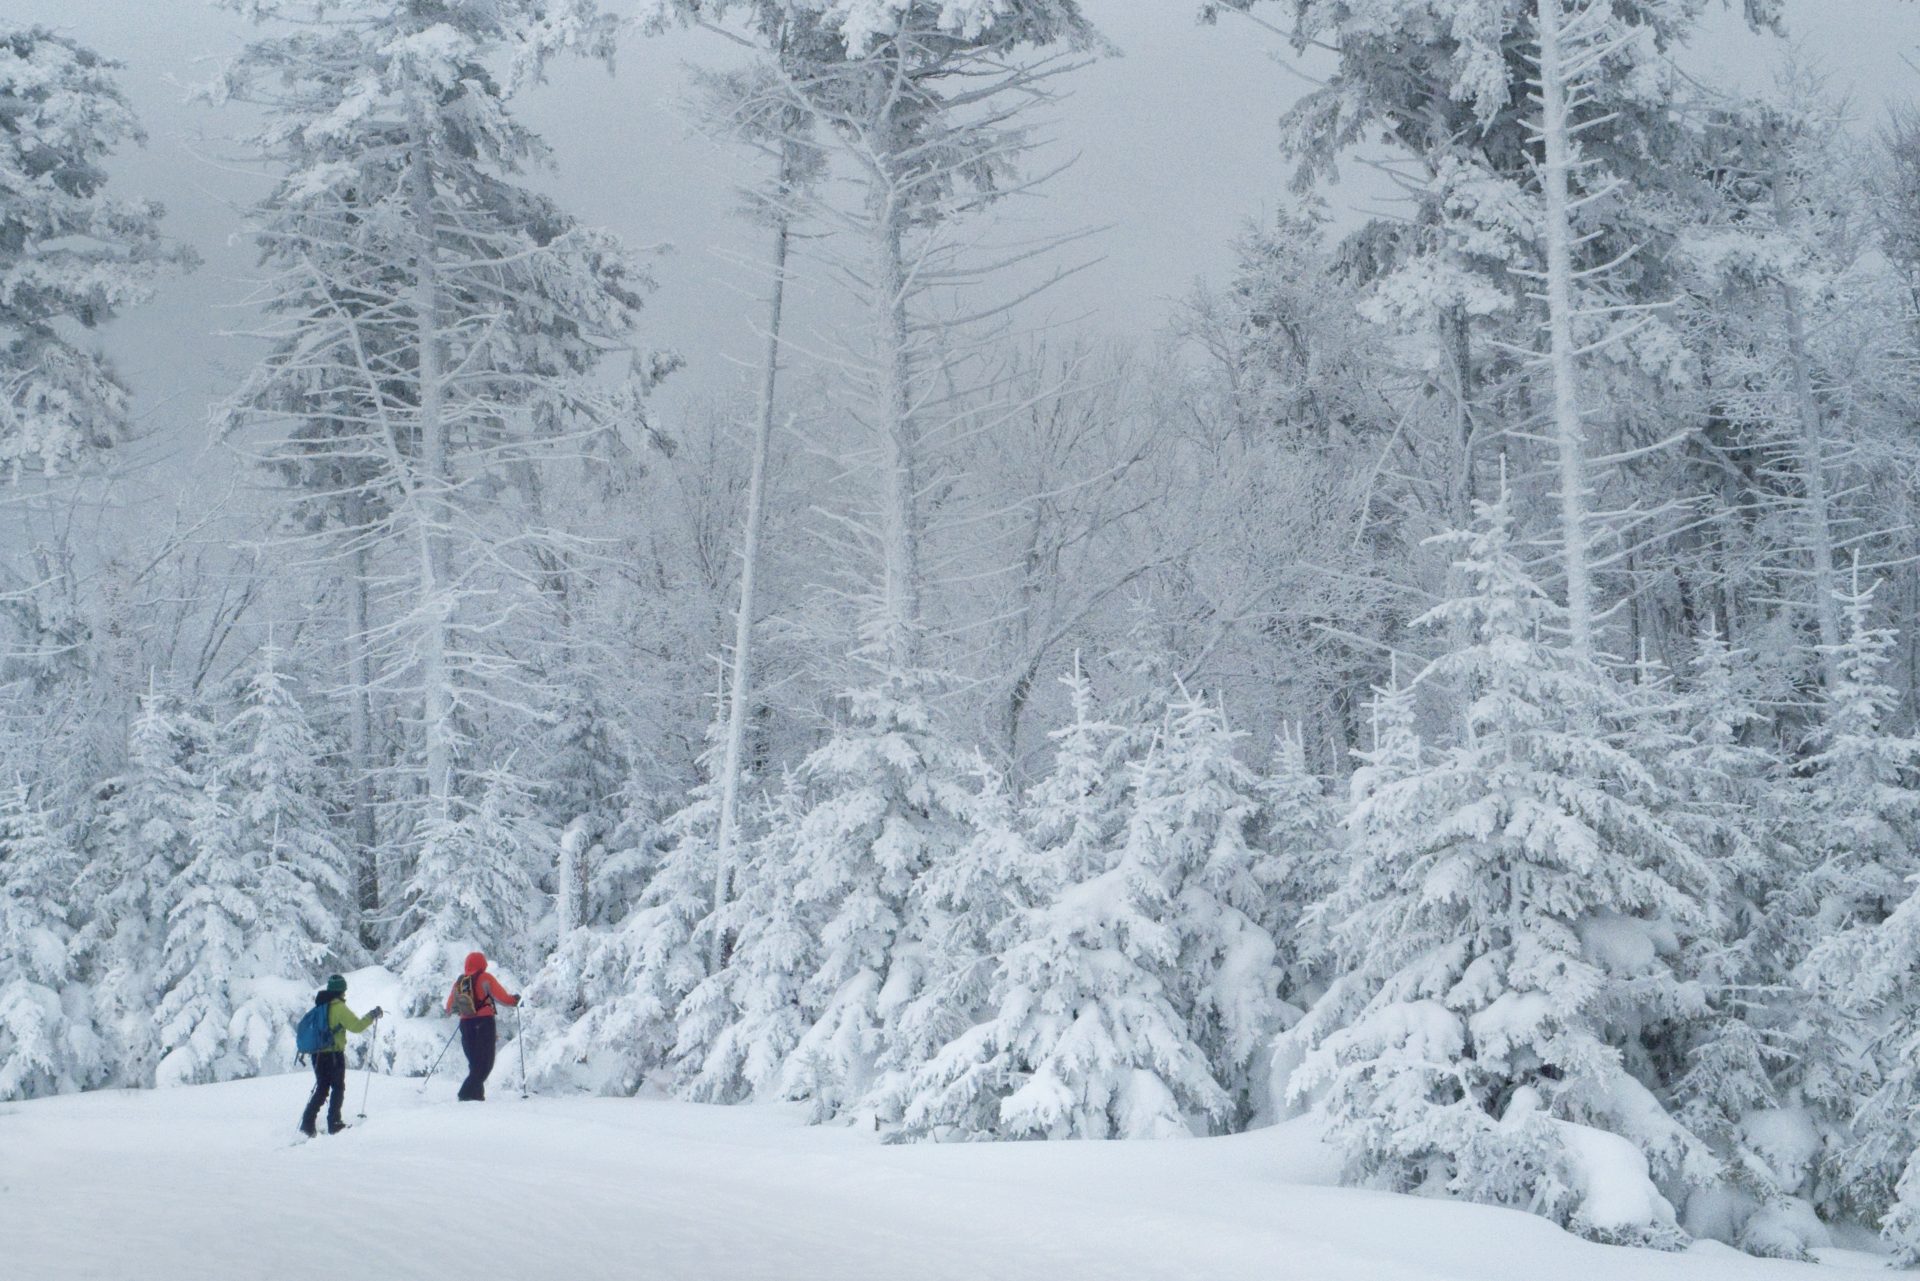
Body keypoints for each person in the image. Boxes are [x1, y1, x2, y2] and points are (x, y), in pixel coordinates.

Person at [300, 974, 382, 1137]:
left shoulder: (321, 1006)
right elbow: (357, 1026)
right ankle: (334, 1123)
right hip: (333, 1055)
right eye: (344, 990)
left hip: (317, 1054)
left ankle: (307, 1124)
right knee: (338, 1087)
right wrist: (372, 1015)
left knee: (322, 1089)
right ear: (341, 991)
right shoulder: (338, 1008)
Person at [445, 951, 520, 1101]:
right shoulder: (485, 978)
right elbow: (502, 998)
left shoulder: (460, 982)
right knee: (485, 1063)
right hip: (484, 1022)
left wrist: (466, 1009)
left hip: (465, 1024)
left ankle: (476, 1097)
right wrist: (515, 1000)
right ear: (483, 964)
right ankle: (465, 1094)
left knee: (475, 1063)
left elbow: (448, 1008)